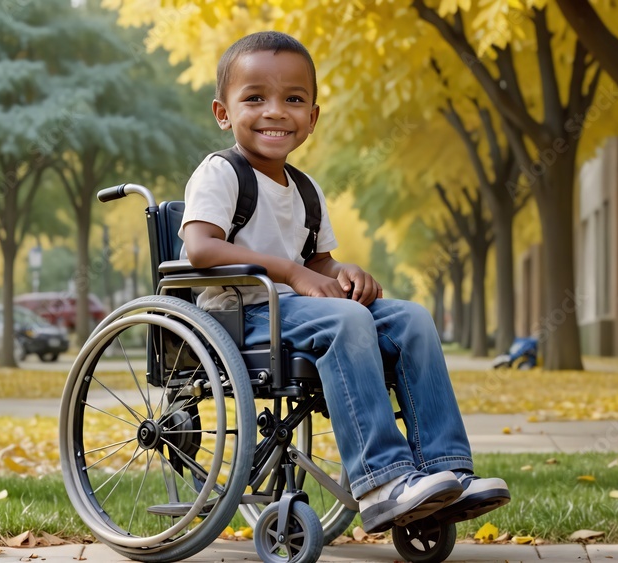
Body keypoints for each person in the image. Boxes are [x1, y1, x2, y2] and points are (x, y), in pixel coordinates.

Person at [178, 30, 510, 534]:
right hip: (240, 317)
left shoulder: (306, 190)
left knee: (411, 319)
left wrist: (343, 272)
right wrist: (291, 272)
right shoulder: (221, 174)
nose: (275, 111)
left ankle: (446, 470)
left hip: (298, 312)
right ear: (223, 113)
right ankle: (381, 481)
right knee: (346, 318)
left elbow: (321, 261)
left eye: (293, 99)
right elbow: (201, 248)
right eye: (254, 98)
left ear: (311, 117)